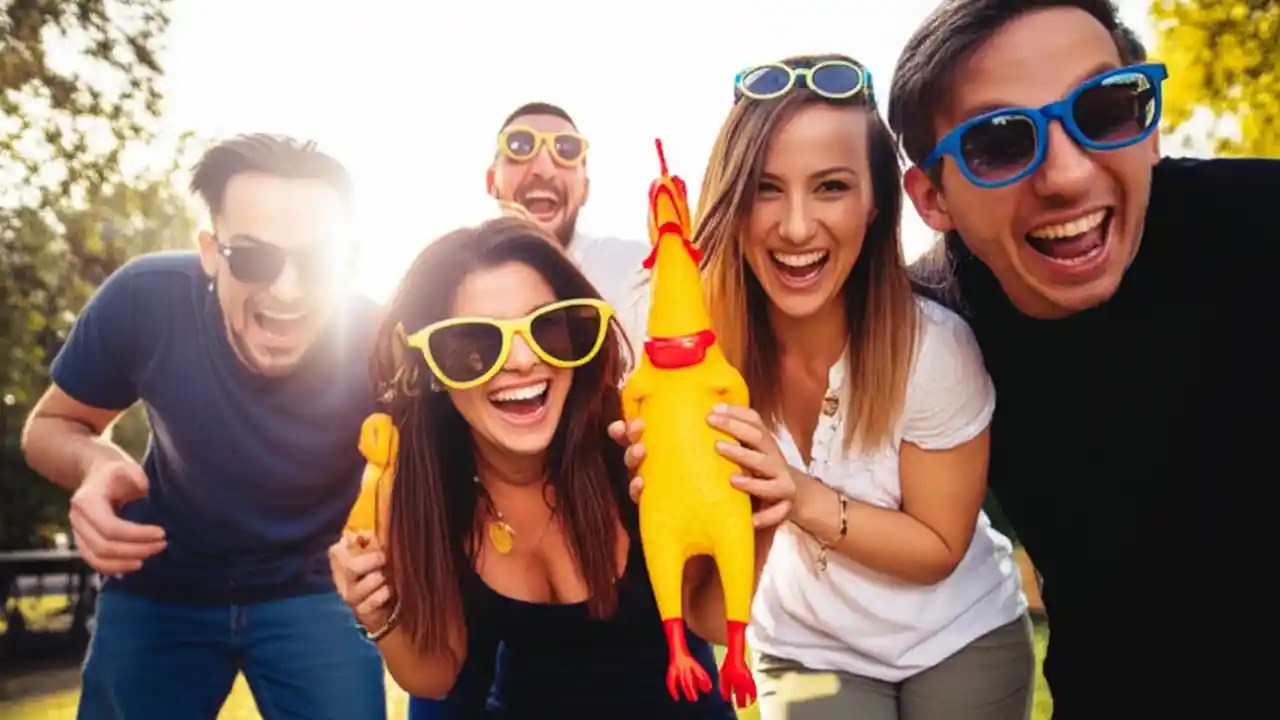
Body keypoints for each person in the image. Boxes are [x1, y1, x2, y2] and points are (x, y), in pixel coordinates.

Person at [887, 1, 1278, 717]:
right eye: (1000, 142)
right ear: (932, 198)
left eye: (1104, 109)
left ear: (1149, 127)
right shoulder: (919, 335)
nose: (1065, 175)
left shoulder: (1262, 227)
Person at [619, 52, 1034, 720]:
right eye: (765, 188)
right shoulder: (691, 366)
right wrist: (719, 500)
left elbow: (938, 549)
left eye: (832, 187)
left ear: (875, 203)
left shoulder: (933, 351)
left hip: (959, 638)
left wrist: (801, 496)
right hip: (807, 656)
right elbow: (702, 613)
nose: (796, 226)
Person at [19, 134, 387, 720]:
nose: (286, 290)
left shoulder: (380, 340)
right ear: (212, 253)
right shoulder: (144, 298)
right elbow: (52, 425)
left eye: (315, 260)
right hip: (160, 581)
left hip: (316, 587)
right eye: (255, 258)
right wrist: (96, 464)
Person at [328, 217, 737, 720]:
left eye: (549, 328)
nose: (522, 359)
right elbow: (435, 675)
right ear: (430, 366)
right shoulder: (421, 482)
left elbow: (713, 619)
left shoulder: (636, 441)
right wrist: (379, 614)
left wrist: (755, 508)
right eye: (473, 344)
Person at [486, 101, 651, 354]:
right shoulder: (458, 287)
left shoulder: (637, 272)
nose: (544, 170)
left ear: (584, 189)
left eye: (566, 150)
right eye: (520, 146)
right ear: (491, 182)